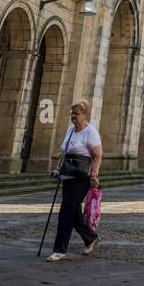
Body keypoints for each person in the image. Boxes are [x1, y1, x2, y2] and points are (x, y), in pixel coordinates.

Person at [45, 100, 101, 262]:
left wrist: (94, 175)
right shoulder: (70, 130)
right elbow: (65, 152)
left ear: (85, 115)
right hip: (68, 175)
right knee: (73, 211)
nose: (73, 117)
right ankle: (91, 238)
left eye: (76, 114)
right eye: (72, 114)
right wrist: (57, 168)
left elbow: (97, 155)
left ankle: (59, 250)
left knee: (66, 211)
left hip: (82, 178)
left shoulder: (91, 132)